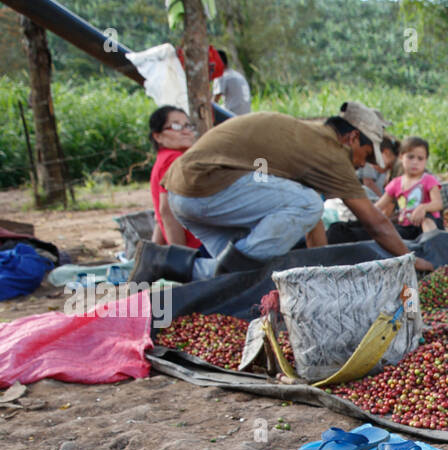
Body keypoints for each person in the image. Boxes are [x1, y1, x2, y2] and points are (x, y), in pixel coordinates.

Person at [130, 105, 432, 282]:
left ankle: (168, 265)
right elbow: (374, 221)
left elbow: (312, 226)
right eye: (367, 153)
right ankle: (170, 261)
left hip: (186, 197)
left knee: (235, 277)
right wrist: (410, 259)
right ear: (352, 137)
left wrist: (319, 274)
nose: (365, 163)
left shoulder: (309, 140)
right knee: (307, 204)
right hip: (207, 186)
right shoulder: (331, 152)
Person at [146, 106, 204, 252]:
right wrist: (182, 257)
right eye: (176, 126)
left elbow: (160, 217)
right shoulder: (173, 159)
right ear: (157, 136)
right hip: (197, 246)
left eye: (187, 125)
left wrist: (153, 253)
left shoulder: (164, 158)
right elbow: (167, 211)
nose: (185, 131)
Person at [376, 136, 444, 239]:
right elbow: (379, 206)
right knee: (389, 234)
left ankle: (435, 247)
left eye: (420, 158)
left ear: (426, 160)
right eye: (410, 157)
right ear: (401, 157)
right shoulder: (396, 183)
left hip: (426, 224)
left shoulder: (429, 180)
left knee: (427, 222)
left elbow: (438, 204)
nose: (415, 162)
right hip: (406, 226)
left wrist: (423, 207)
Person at [212, 50, 251, 116]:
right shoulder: (237, 75)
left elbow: (214, 102)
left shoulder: (221, 76)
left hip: (233, 116)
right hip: (246, 115)